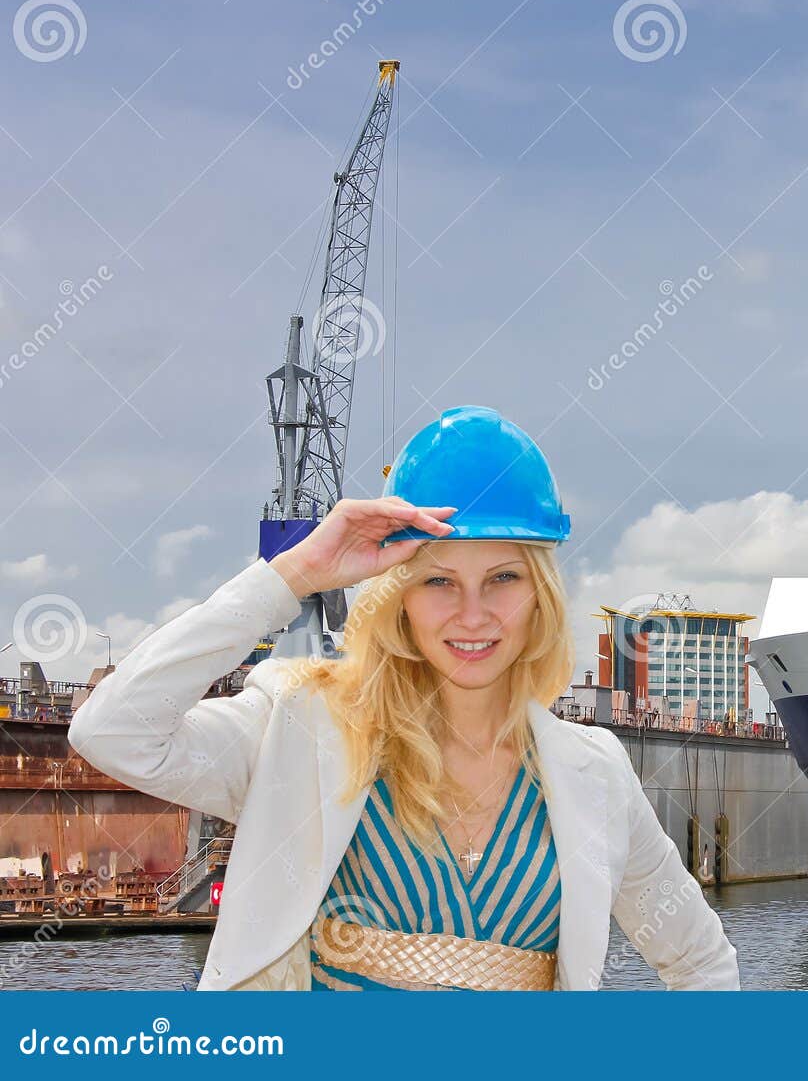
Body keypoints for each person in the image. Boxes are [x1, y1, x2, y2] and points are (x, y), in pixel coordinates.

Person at [68, 405, 739, 991]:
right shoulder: (305, 729)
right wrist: (294, 572)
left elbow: (702, 962)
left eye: (502, 577)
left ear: (540, 595)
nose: (471, 615)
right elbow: (113, 730)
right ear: (400, 598)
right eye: (439, 582)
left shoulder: (595, 772)